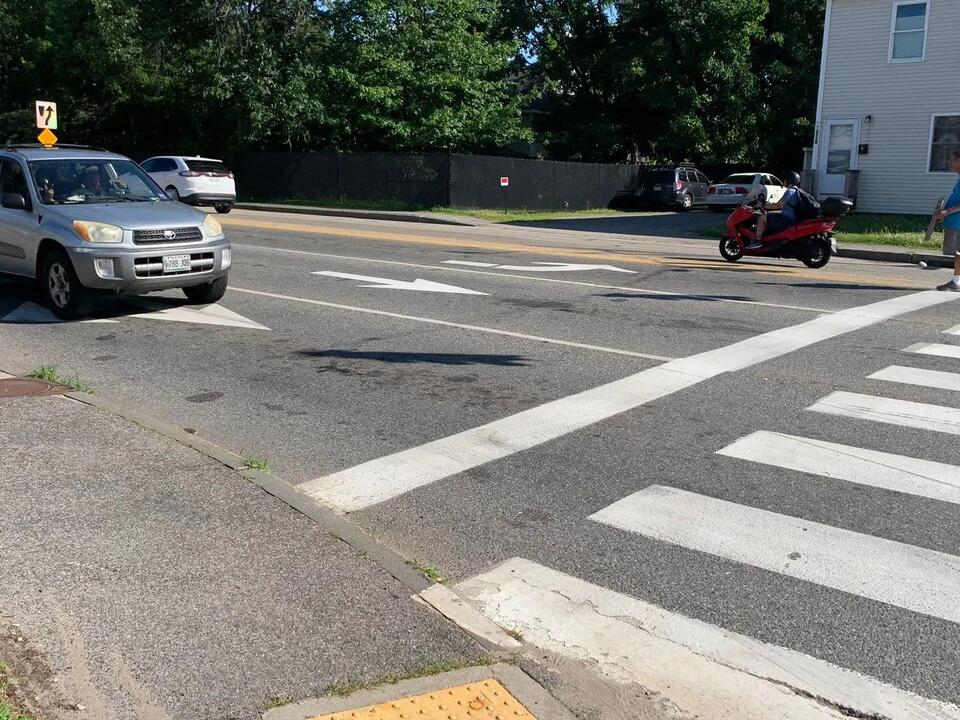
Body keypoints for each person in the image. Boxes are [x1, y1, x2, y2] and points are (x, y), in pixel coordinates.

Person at [747, 171, 802, 249]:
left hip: (786, 219)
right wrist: (770, 207)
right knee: (769, 214)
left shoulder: (790, 191)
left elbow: (779, 205)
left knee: (762, 217)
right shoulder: (796, 191)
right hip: (791, 217)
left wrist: (765, 205)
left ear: (789, 180)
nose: (784, 181)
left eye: (785, 179)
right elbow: (783, 206)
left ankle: (757, 240)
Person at [936, 150, 960, 292]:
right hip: (954, 222)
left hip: (958, 224)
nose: (950, 163)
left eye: (952, 160)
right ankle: (956, 281)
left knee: (958, 253)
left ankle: (956, 283)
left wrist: (947, 212)